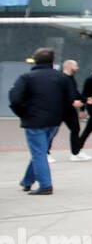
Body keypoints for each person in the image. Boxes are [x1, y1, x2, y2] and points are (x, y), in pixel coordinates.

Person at [9, 48, 74, 195]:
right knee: (41, 151)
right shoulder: (62, 78)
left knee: (39, 153)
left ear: (35, 60)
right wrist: (60, 114)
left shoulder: (27, 77)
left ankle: (45, 185)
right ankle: (27, 181)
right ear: (52, 60)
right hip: (54, 120)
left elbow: (15, 99)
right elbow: (69, 99)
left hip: (34, 120)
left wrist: (23, 114)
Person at [58, 59, 92, 161]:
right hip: (60, 109)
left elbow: (75, 93)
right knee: (52, 131)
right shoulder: (61, 78)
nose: (77, 68)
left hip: (70, 109)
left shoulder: (71, 78)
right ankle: (46, 154)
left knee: (75, 129)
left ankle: (75, 153)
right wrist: (72, 102)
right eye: (75, 66)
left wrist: (85, 100)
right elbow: (60, 94)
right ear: (69, 66)